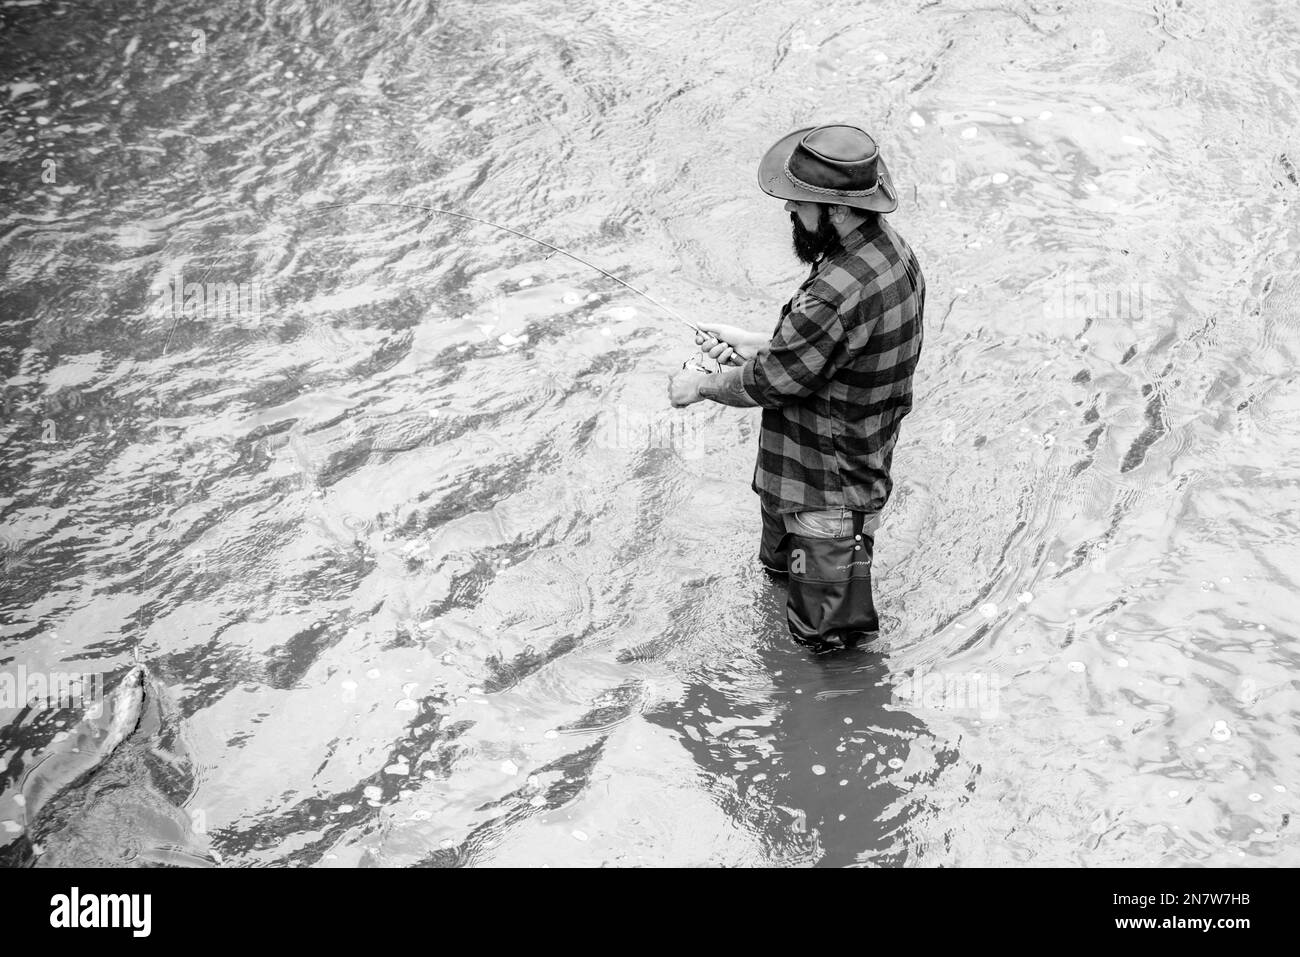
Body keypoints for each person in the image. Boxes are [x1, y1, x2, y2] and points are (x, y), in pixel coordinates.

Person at [668, 123, 925, 652]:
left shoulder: (832, 293)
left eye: (800, 203)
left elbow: (771, 382)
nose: (790, 211)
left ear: (838, 210)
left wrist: (700, 385)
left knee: (828, 650)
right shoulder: (890, 254)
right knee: (783, 591)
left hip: (826, 493)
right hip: (833, 470)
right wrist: (752, 341)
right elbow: (828, 350)